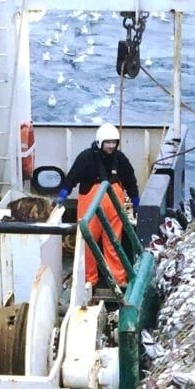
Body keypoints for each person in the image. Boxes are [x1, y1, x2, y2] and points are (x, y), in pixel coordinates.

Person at [55, 124, 141, 289]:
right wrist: (63, 195)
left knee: (114, 243)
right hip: (90, 207)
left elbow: (130, 181)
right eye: (108, 142)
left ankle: (118, 280)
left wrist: (136, 202)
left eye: (114, 142)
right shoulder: (85, 158)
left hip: (114, 208)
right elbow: (71, 178)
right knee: (88, 243)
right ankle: (89, 280)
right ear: (100, 142)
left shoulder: (120, 159)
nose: (111, 146)